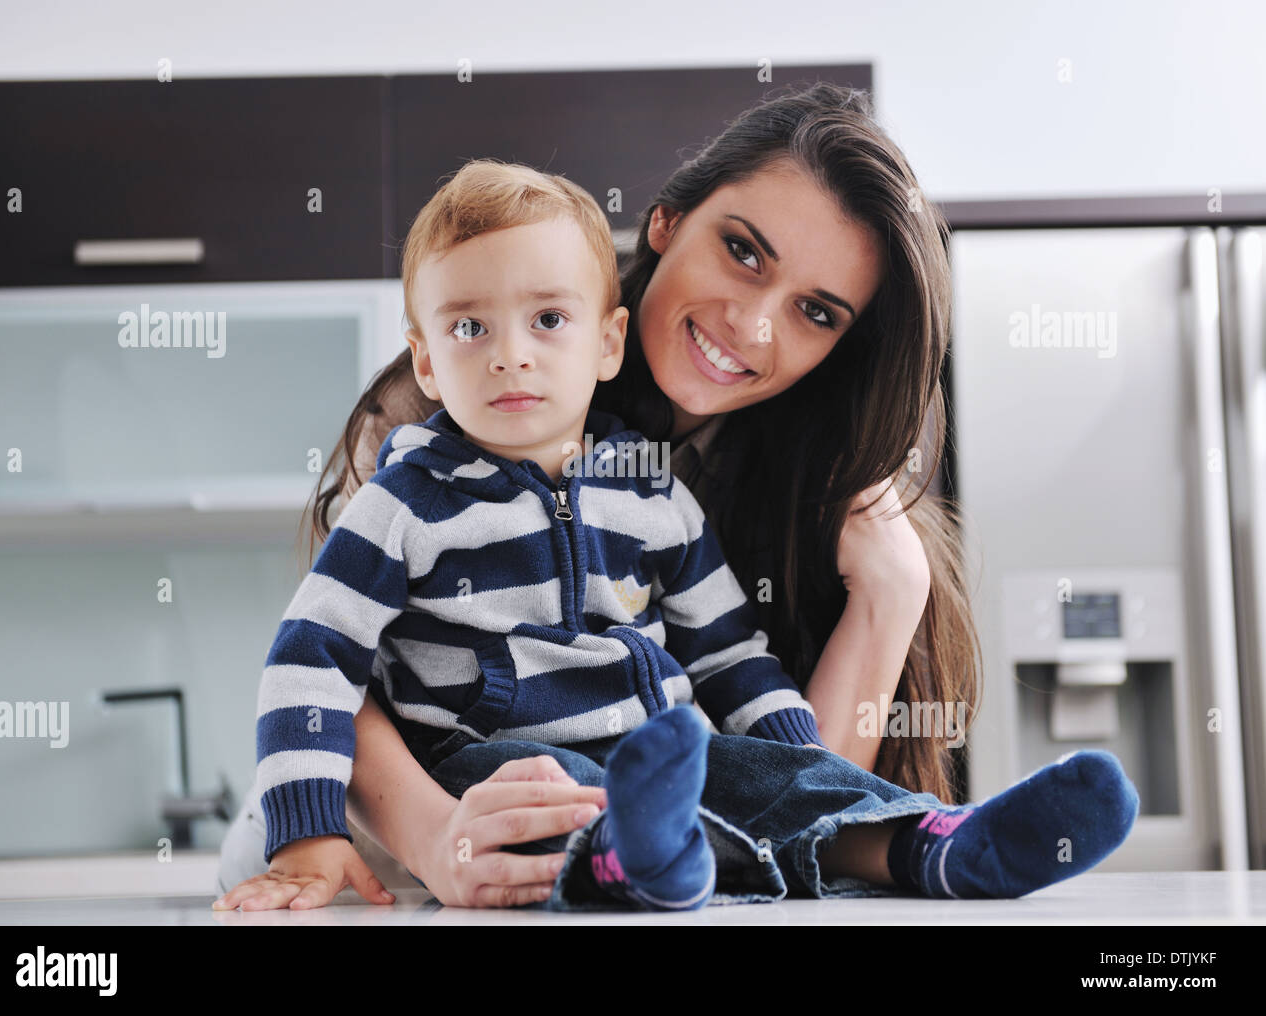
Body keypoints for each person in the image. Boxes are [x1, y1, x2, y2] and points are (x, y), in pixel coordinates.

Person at [214, 156, 1138, 913]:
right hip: (431, 812)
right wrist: (324, 835)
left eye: (816, 311)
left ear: (603, 339)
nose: (510, 353)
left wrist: (888, 602)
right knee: (545, 786)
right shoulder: (424, 453)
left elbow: (734, 660)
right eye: (742, 251)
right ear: (665, 223)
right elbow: (323, 662)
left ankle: (935, 845)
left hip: (661, 760)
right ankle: (622, 856)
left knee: (755, 776)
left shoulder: (670, 491)